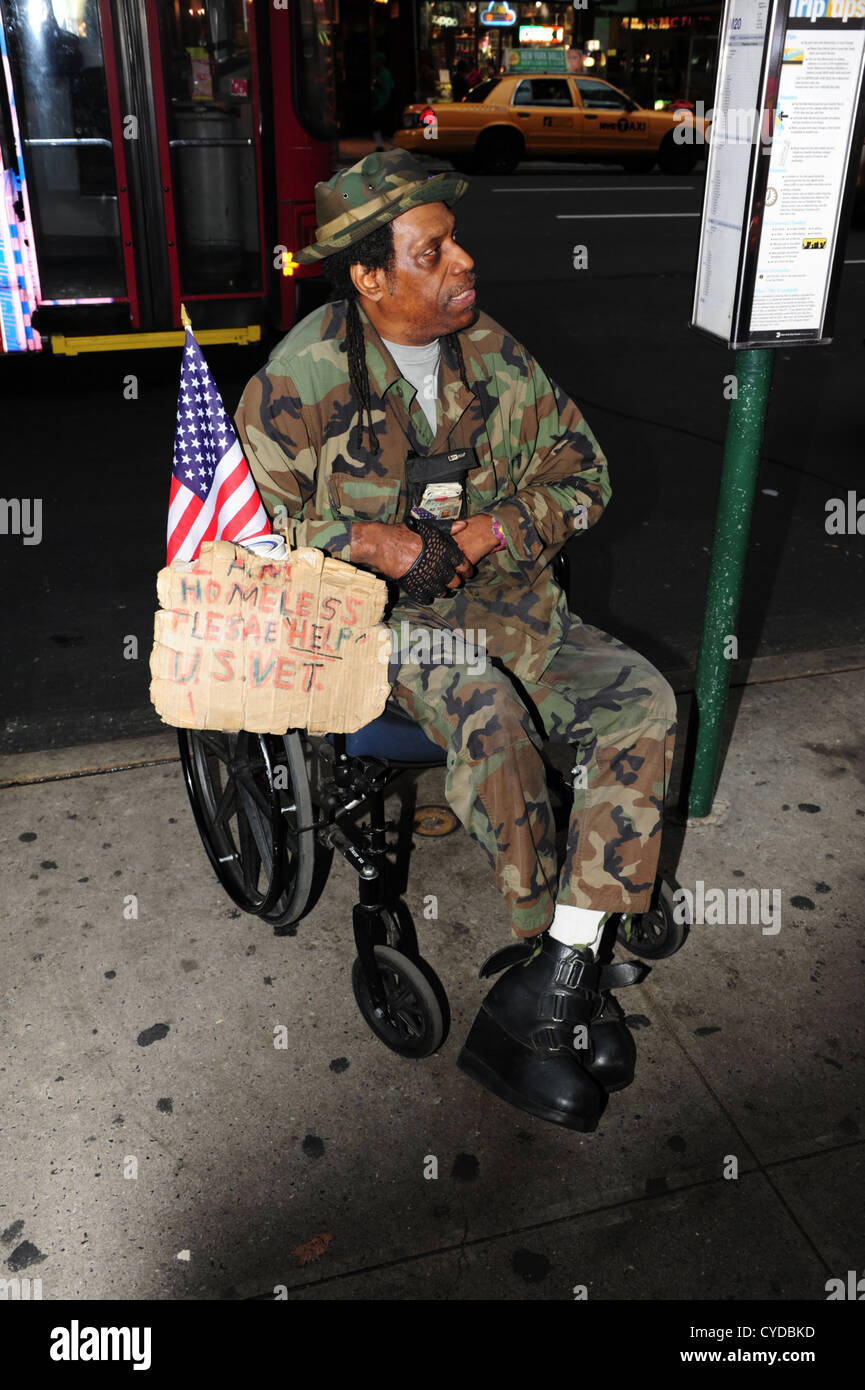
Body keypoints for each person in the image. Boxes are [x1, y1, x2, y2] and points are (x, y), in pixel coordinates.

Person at [234, 151, 677, 1133]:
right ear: (367, 275)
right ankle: (543, 972)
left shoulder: (491, 351)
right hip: (383, 636)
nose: (460, 262)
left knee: (642, 699)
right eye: (431, 251)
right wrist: (371, 543)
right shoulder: (294, 385)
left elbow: (584, 476)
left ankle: (550, 983)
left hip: (515, 605)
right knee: (485, 708)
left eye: (452, 242)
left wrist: (485, 532)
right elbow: (246, 551)